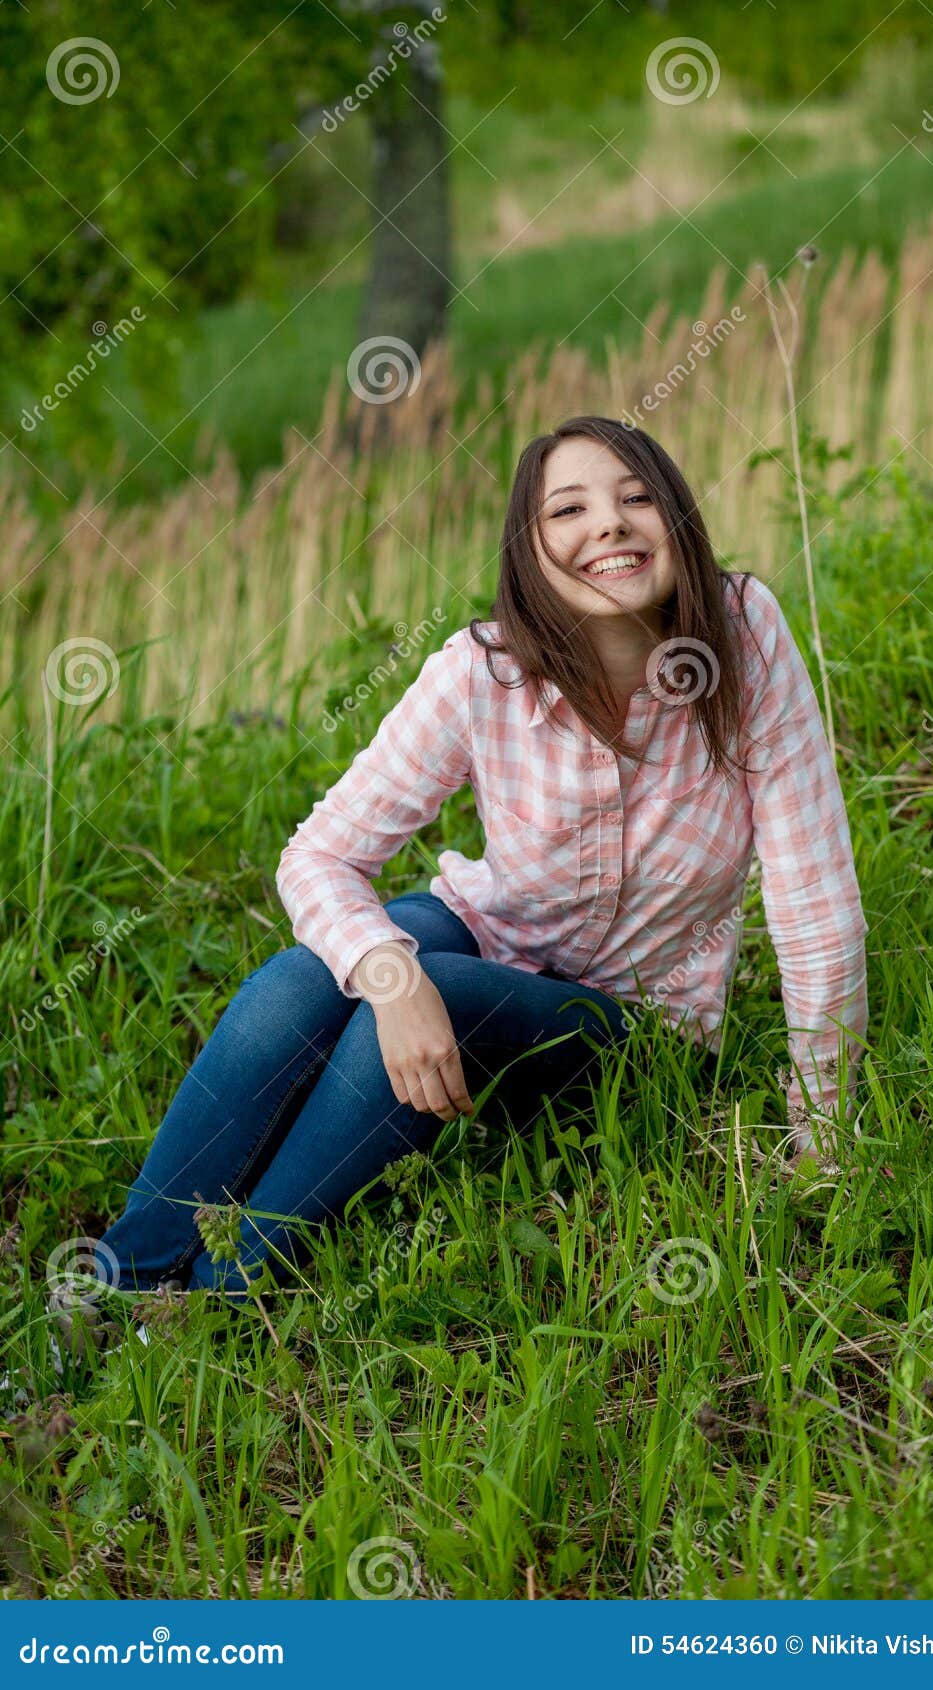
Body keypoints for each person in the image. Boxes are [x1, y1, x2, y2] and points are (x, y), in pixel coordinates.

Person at [87, 413, 868, 1304]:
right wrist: (390, 980)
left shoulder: (743, 634)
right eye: (567, 510)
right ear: (528, 553)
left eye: (637, 498)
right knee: (305, 980)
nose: (608, 524)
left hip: (634, 1027)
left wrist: (822, 1136)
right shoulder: (483, 669)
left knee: (445, 993)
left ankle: (217, 1296)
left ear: (678, 520)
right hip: (491, 933)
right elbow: (319, 854)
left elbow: (815, 906)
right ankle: (120, 1281)